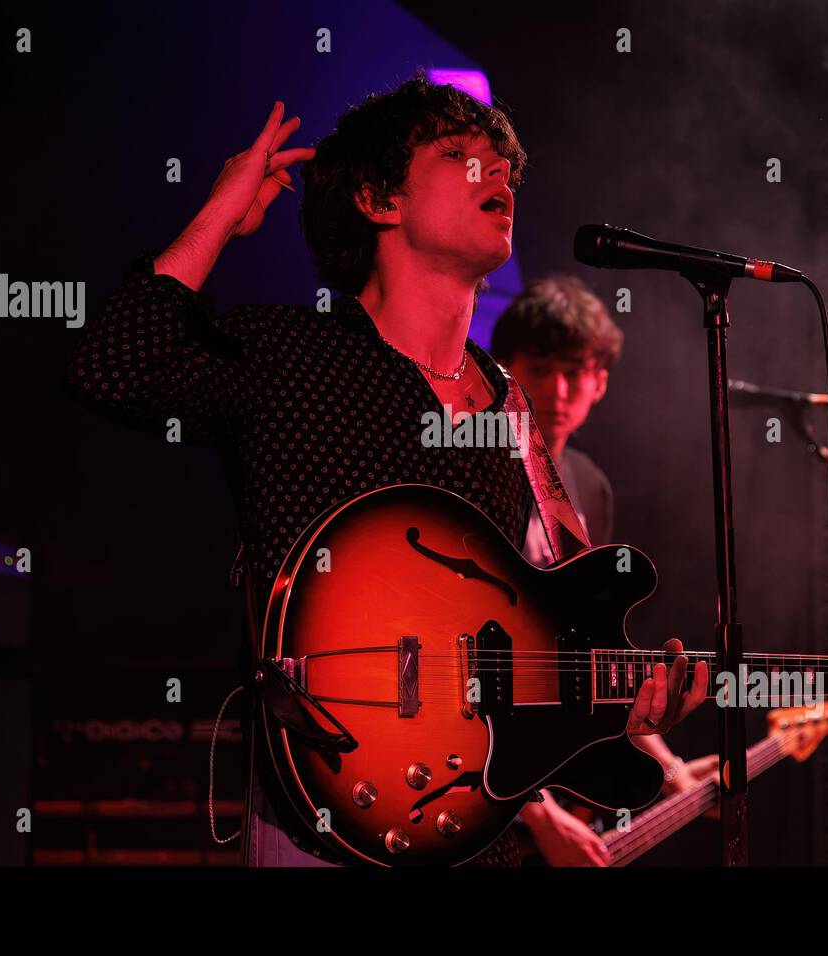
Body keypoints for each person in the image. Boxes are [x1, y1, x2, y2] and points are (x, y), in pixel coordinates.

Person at [65, 74, 708, 867]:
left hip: (480, 833)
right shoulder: (290, 355)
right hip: (326, 821)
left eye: (504, 162)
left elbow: (552, 646)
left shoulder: (510, 413)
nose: (498, 173)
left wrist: (629, 703)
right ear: (378, 199)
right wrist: (220, 216)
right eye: (458, 154)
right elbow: (112, 369)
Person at [492, 277, 715, 866]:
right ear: (505, 369)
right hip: (481, 777)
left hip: (553, 776)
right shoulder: (481, 465)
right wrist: (541, 817)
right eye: (538, 370)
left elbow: (593, 653)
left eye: (575, 371)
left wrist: (668, 771)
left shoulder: (591, 485)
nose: (558, 390)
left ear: (601, 382)